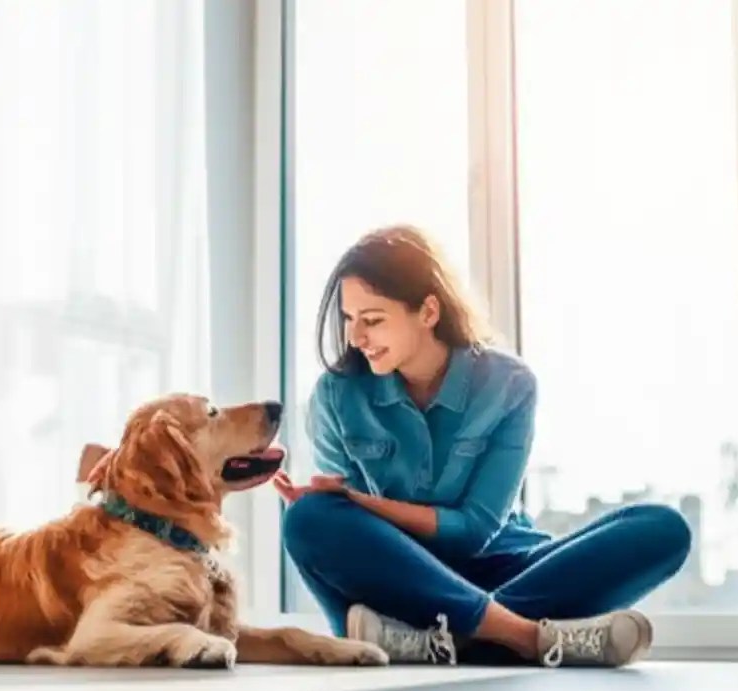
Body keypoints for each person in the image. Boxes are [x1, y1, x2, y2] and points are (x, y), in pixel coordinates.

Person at [274, 224, 692, 667]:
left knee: (662, 528)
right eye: (349, 320)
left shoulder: (509, 384)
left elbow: (473, 531)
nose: (356, 338)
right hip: (401, 584)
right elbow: (355, 540)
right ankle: (526, 636)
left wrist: (357, 501)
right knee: (308, 519)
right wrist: (339, 504)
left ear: (428, 312)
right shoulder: (337, 395)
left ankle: (445, 641)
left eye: (373, 320)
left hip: (503, 567)